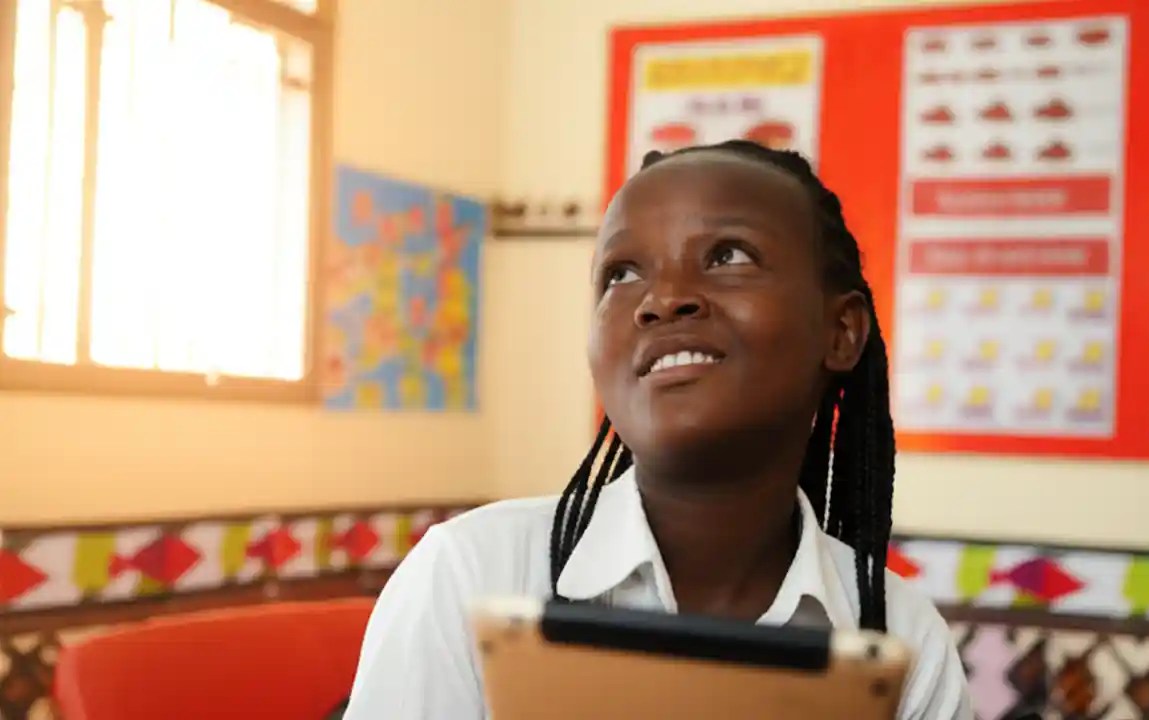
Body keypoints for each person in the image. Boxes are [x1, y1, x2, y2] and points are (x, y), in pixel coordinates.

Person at [344, 140, 973, 719]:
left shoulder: (902, 636)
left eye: (729, 256)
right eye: (621, 272)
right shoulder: (470, 576)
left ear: (841, 332)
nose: (663, 297)